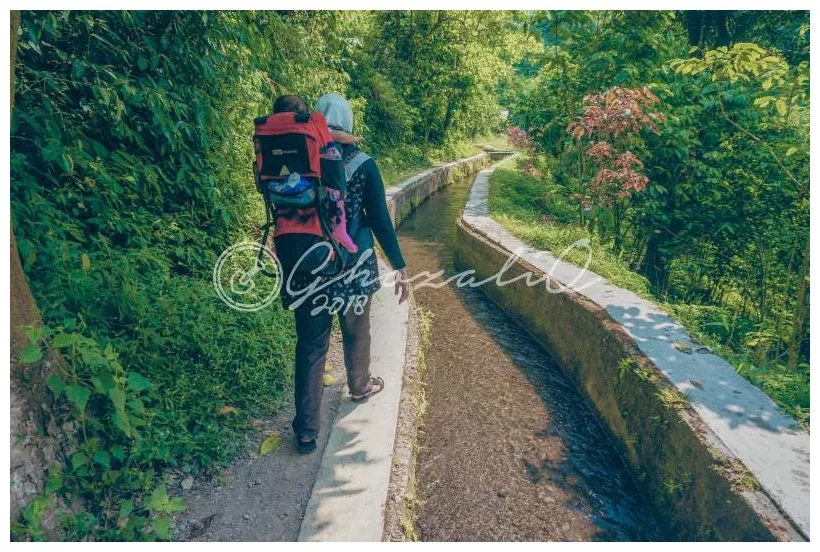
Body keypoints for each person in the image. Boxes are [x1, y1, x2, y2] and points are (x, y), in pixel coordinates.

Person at [276, 93, 410, 454]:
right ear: (349, 124)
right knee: (356, 331)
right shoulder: (363, 164)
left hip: (306, 267)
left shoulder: (295, 158)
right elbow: (380, 220)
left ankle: (305, 432)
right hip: (352, 267)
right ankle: (360, 385)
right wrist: (399, 265)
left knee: (310, 346)